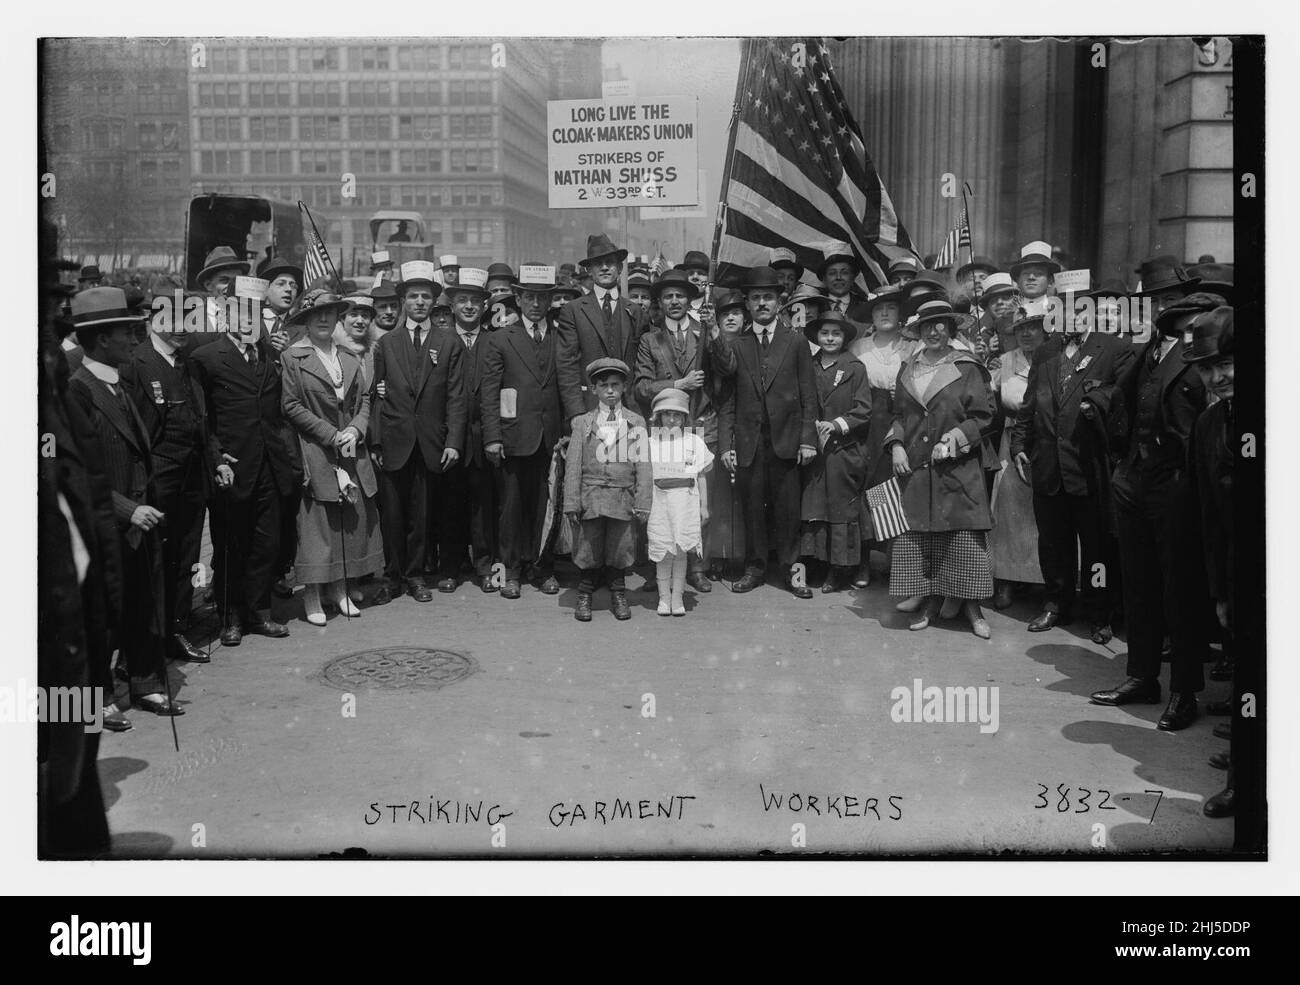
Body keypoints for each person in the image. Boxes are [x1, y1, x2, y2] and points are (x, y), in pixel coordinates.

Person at [1089, 292, 1219, 730]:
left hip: (1177, 484)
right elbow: (1122, 399)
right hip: (1134, 479)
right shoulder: (1148, 349)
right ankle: (1142, 676)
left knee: (1180, 590)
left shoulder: (1202, 359)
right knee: (1138, 583)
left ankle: (1185, 691)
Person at [66, 288, 181, 715]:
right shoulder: (79, 390)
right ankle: (97, 699)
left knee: (143, 604)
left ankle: (144, 682)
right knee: (106, 614)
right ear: (99, 340)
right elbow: (76, 473)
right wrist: (128, 509)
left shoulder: (117, 384)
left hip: (141, 522)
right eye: (124, 333)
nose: (133, 340)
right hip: (108, 523)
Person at [1010, 290, 1135, 637]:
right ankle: (1056, 605)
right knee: (1053, 542)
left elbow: (1122, 401)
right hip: (1048, 467)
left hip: (1088, 467)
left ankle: (1100, 612)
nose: (1070, 319)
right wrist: (1019, 445)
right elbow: (1029, 404)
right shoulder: (1046, 352)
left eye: (1079, 312)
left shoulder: (1111, 349)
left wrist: (1097, 404)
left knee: (1097, 545)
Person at [190, 276, 294, 645]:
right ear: (226, 314)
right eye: (239, 311)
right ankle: (230, 617)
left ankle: (259, 612)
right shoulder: (206, 358)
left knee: (266, 543)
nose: (246, 320)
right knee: (231, 544)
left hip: (268, 463)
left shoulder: (268, 355)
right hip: (231, 468)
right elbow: (202, 418)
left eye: (253, 312)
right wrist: (216, 455)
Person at [885, 298, 995, 639]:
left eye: (941, 325)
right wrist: (897, 444)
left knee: (961, 536)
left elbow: (984, 416)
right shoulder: (908, 368)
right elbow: (899, 416)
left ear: (951, 330)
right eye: (927, 326)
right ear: (918, 331)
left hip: (957, 469)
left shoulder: (967, 367)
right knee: (924, 537)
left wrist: (955, 437)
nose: (934, 331)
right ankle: (931, 600)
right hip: (918, 469)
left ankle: (972, 607)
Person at [120, 283, 213, 664]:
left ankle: (175, 629)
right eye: (173, 318)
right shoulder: (136, 365)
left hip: (191, 481)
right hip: (156, 484)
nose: (182, 326)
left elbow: (201, 421)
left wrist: (216, 460)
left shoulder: (186, 363)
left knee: (185, 555)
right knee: (152, 562)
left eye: (188, 319)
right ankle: (143, 647)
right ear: (154, 319)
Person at [281, 291, 385, 625]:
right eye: (316, 316)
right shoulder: (293, 358)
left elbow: (364, 400)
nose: (324, 321)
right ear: (306, 322)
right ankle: (313, 593)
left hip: (350, 446)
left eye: (329, 314)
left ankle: (340, 588)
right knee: (317, 524)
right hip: (315, 446)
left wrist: (356, 429)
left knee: (348, 519)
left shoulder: (350, 357)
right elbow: (291, 405)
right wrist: (330, 434)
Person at [716, 266, 818, 599]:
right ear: (747, 303)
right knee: (752, 508)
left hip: (786, 440)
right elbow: (728, 400)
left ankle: (791, 570)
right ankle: (755, 568)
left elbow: (808, 395)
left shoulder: (796, 341)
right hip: (749, 441)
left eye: (768, 298)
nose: (762, 303)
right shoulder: (739, 343)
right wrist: (727, 444)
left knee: (788, 509)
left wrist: (807, 439)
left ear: (779, 302)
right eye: (756, 298)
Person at [369, 260, 468, 602]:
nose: (420, 302)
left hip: (430, 441)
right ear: (403, 302)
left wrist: (454, 440)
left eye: (426, 296)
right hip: (394, 441)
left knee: (421, 515)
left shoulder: (449, 342)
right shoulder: (387, 343)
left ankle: (414, 576)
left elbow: (456, 395)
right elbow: (376, 395)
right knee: (393, 516)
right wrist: (376, 441)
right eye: (413, 296)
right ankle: (391, 577)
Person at [633, 268, 730, 595]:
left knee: (701, 499)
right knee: (661, 500)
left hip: (702, 426)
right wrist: (678, 384)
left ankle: (696, 567)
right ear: (659, 302)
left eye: (680, 296)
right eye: (668, 296)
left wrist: (715, 330)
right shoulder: (650, 339)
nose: (674, 301)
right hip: (664, 434)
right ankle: (657, 565)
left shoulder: (705, 333)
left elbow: (729, 367)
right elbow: (641, 387)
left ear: (690, 299)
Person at [480, 264, 566, 599]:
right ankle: (508, 573)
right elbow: (489, 392)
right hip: (513, 436)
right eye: (529, 296)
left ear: (549, 300)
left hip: (549, 437)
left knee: (544, 507)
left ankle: (541, 569)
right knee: (510, 508)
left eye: (542, 297)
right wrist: (492, 436)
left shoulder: (560, 337)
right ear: (517, 297)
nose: (535, 304)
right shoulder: (500, 339)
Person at [1183, 306, 1236, 816]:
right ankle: (1245, 776)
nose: (1216, 377)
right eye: (1206, 368)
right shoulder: (1207, 424)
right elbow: (1210, 517)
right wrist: (1221, 590)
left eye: (1226, 365)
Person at [563, 359, 652, 622]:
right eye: (604, 386)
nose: (610, 391)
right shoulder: (583, 423)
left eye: (615, 385)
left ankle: (618, 594)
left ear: (624, 387)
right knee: (587, 548)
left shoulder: (636, 422)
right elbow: (573, 465)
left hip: (622, 496)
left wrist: (644, 501)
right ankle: (585, 595)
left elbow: (644, 465)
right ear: (594, 390)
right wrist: (571, 502)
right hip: (590, 497)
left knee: (620, 548)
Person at [799, 312, 872, 592]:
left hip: (844, 449)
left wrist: (837, 425)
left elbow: (863, 409)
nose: (830, 338)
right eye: (825, 333)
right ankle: (816, 563)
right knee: (815, 507)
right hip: (814, 450)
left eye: (836, 334)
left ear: (844, 338)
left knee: (841, 509)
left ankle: (839, 570)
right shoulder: (809, 365)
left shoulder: (855, 367)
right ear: (817, 337)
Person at [846, 286, 914, 587]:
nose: (884, 313)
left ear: (900, 314)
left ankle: (894, 561)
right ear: (871, 315)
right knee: (865, 486)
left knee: (895, 488)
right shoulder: (859, 348)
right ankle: (863, 562)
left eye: (890, 308)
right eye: (878, 309)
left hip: (900, 419)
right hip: (866, 422)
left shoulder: (912, 346)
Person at [986, 313, 1048, 610]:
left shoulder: (1056, 355)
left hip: (1047, 439)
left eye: (1033, 327)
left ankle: (1043, 582)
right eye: (1021, 328)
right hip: (1012, 439)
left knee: (1044, 515)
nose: (1027, 334)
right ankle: (1006, 580)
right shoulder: (1005, 360)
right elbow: (988, 391)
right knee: (1008, 511)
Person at [556, 233, 648, 420]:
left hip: (629, 408)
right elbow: (567, 366)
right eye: (598, 263)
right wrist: (576, 413)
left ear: (620, 267)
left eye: (610, 262)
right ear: (589, 270)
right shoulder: (573, 310)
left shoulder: (634, 311)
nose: (605, 268)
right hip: (589, 409)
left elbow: (641, 364)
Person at [647, 388, 714, 615]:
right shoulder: (651, 442)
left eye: (677, 415)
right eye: (667, 414)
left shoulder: (694, 441)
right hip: (660, 502)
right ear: (659, 417)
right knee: (663, 550)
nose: (672, 419)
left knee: (681, 550)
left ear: (684, 418)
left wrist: (703, 506)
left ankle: (678, 598)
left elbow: (701, 475)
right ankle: (664, 598)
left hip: (685, 502)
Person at [703, 289, 748, 577]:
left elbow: (731, 367)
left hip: (740, 427)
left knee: (738, 497)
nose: (730, 317)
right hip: (712, 426)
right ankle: (716, 555)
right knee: (716, 496)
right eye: (724, 314)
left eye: (736, 313)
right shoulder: (707, 346)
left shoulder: (749, 346)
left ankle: (738, 556)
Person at [335, 293, 382, 391]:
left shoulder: (374, 352)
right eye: (353, 315)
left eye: (365, 316)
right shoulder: (333, 350)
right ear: (342, 318)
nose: (360, 321)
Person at [818, 243, 872, 321]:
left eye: (845, 273)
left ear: (853, 278)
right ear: (824, 279)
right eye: (832, 273)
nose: (838, 277)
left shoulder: (865, 307)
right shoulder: (815, 304)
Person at [1009, 241, 1059, 315]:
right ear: (1018, 280)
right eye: (1026, 273)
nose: (1031, 277)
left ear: (1050, 281)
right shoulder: (1005, 319)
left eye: (1039, 274)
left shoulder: (1060, 315)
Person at [674, 250, 711, 316]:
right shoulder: (674, 305)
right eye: (690, 273)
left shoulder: (716, 305)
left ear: (708, 278)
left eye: (701, 273)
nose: (695, 277)